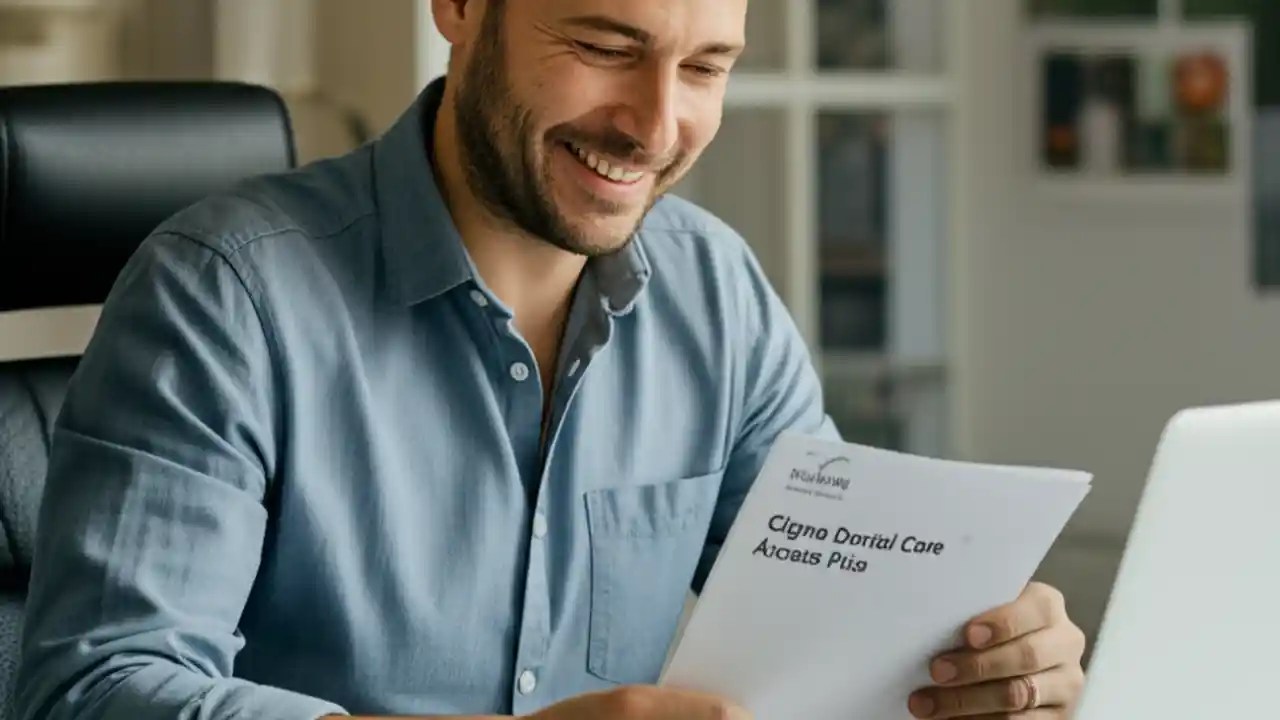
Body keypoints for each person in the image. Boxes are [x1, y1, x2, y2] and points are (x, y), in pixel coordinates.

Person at [15, 1, 1087, 718]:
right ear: (460, 6)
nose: (654, 125)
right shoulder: (224, 293)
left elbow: (840, 614)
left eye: (705, 67)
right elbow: (99, 688)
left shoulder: (715, 293)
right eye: (607, 49)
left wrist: (978, 656)